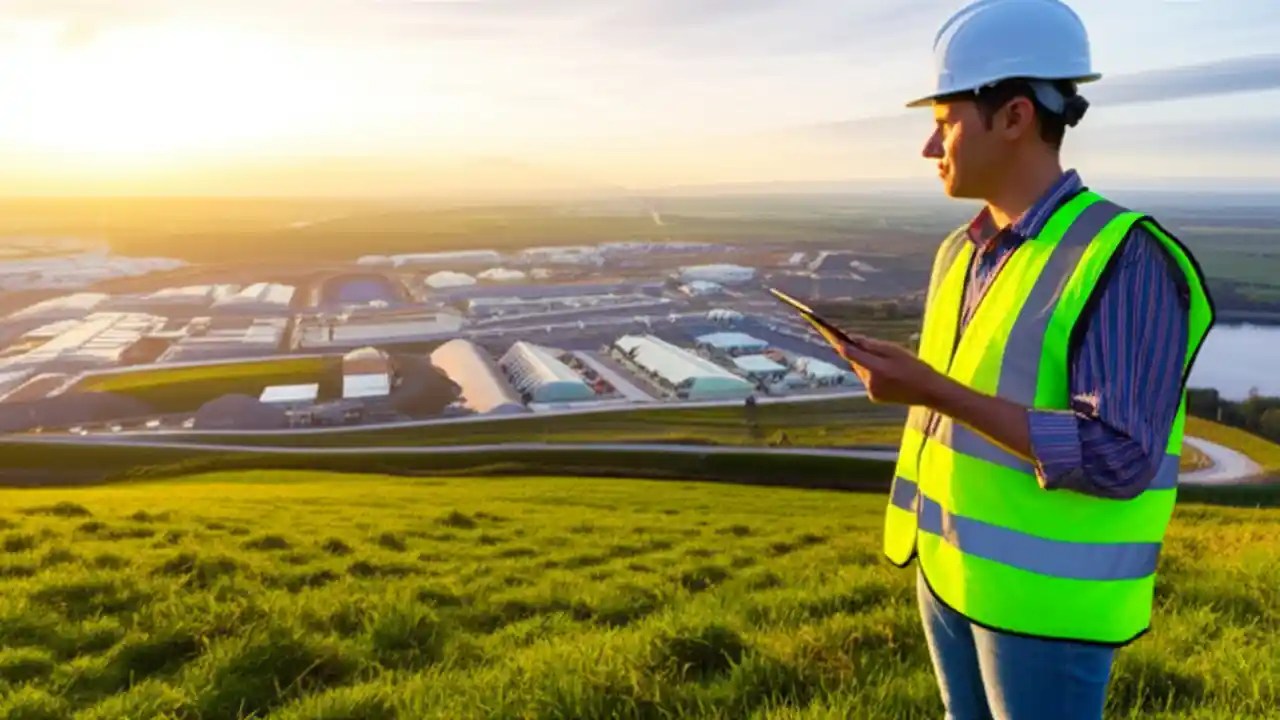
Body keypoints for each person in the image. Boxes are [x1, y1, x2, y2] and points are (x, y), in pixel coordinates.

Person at [833, 1, 1216, 718]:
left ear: (1012, 117)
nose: (929, 146)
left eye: (945, 121)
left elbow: (1117, 454)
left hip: (1046, 607)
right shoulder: (961, 251)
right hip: (949, 570)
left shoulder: (1122, 257)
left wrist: (931, 390)